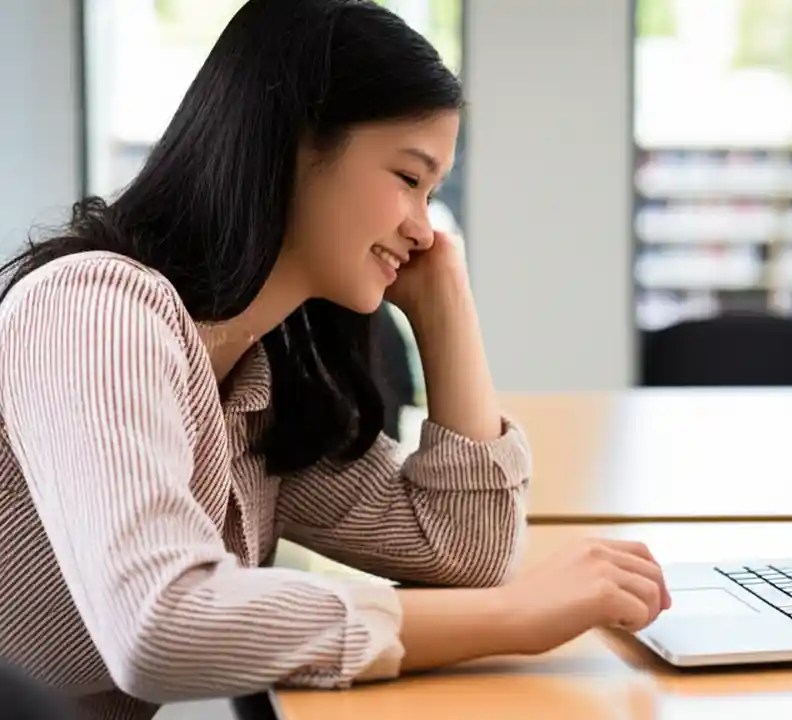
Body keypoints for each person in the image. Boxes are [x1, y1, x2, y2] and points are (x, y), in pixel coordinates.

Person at [0, 2, 669, 719]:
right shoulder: (95, 310)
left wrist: (447, 313)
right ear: (293, 143)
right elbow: (161, 624)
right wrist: (517, 619)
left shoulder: (260, 385)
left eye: (434, 193)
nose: (424, 229)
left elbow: (465, 553)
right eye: (410, 179)